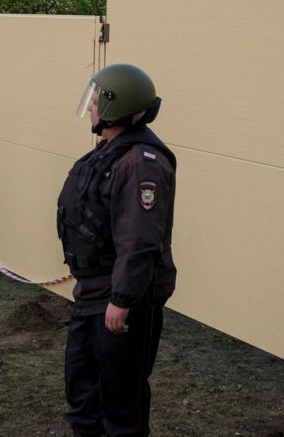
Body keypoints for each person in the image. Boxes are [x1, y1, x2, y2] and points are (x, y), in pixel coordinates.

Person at [57, 63, 177, 437]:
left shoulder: (140, 163)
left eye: (96, 99)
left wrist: (122, 300)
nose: (90, 107)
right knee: (83, 398)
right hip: (92, 295)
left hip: (122, 303)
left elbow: (140, 240)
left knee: (121, 408)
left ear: (115, 104)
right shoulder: (110, 152)